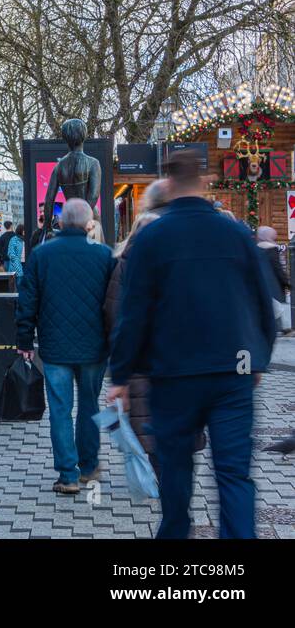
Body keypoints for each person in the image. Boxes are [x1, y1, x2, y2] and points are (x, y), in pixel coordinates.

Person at [109, 152, 277, 538]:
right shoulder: (235, 233)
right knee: (234, 474)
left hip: (175, 373)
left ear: (167, 185)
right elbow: (261, 302)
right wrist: (259, 359)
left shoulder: (152, 237)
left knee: (176, 470)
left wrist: (120, 375)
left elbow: (133, 314)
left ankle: (174, 536)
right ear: (203, 183)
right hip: (233, 372)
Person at [17, 198, 115, 495]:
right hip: (94, 347)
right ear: (89, 224)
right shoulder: (104, 255)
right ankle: (88, 466)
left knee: (60, 410)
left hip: (55, 346)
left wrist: (24, 340)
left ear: (59, 222)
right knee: (89, 405)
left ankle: (67, 475)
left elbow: (27, 300)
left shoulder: (42, 254)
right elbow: (113, 304)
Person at [102, 209, 206, 477]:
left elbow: (114, 314)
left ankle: (163, 474)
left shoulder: (124, 264)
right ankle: (166, 475)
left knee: (149, 420)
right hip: (167, 359)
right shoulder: (179, 262)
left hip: (140, 358)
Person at [256, 226, 292, 335]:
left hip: (260, 280)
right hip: (272, 281)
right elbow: (277, 267)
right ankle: (280, 328)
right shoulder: (272, 248)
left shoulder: (255, 247)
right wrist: (286, 282)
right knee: (276, 306)